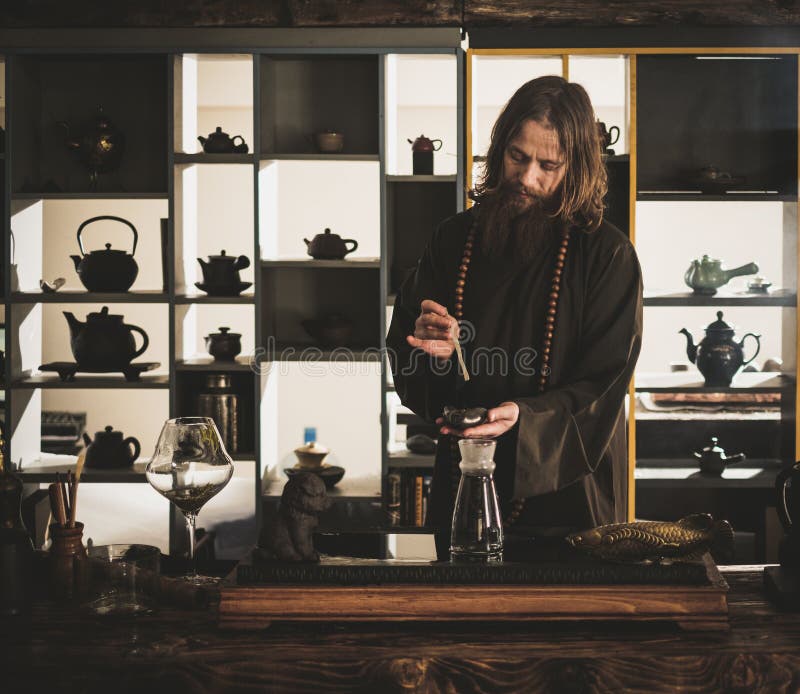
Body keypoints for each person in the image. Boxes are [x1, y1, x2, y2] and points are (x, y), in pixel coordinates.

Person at [386, 75, 643, 555]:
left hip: (569, 496)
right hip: (465, 480)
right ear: (499, 148)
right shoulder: (452, 239)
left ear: (577, 168)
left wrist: (524, 418)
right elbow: (409, 355)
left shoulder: (607, 255)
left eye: (548, 165)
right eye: (517, 157)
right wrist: (430, 348)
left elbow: (604, 384)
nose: (526, 178)